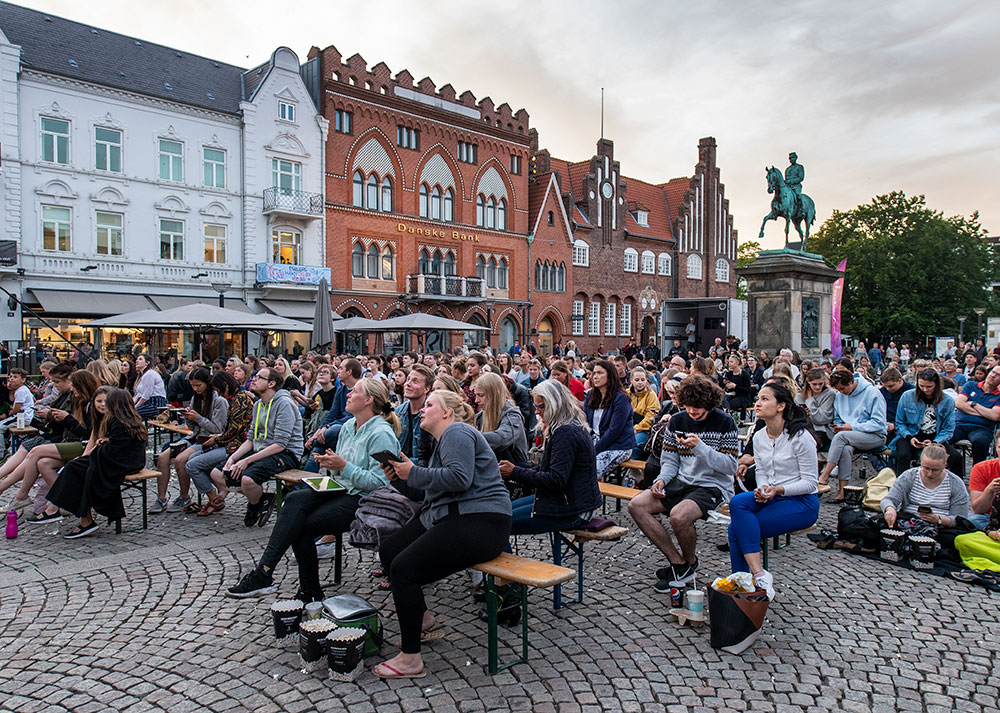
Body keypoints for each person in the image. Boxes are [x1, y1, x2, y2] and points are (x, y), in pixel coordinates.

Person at [375, 389, 512, 679]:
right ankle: (422, 620)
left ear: (447, 412)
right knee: (390, 551)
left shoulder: (457, 432)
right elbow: (428, 491)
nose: (422, 410)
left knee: (403, 569)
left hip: (481, 522)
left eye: (429, 404)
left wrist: (412, 471)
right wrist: (400, 479)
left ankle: (411, 660)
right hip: (455, 517)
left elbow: (459, 479)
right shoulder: (442, 444)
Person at [226, 378, 400, 600]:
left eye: (353, 392)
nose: (347, 395)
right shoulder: (348, 426)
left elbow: (380, 483)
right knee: (294, 500)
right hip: (344, 488)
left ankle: (296, 586)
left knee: (302, 526)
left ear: (368, 400)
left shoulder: (380, 433)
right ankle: (268, 574)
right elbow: (342, 471)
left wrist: (343, 467)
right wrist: (331, 464)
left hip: (366, 499)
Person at [628, 376, 738, 591]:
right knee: (637, 506)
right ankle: (680, 563)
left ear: (709, 403)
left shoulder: (725, 422)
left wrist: (700, 447)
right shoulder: (677, 420)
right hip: (681, 480)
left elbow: (729, 466)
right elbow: (669, 461)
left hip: (712, 485)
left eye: (697, 407)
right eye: (687, 406)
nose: (692, 411)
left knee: (679, 516)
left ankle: (688, 562)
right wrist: (661, 480)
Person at [727, 382, 818, 599]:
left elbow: (810, 483)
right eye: (757, 398)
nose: (757, 403)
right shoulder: (759, 437)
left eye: (765, 399)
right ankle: (755, 577)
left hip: (801, 502)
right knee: (738, 503)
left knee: (736, 529)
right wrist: (763, 490)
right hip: (773, 497)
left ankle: (748, 579)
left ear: (781, 406)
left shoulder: (801, 437)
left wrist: (778, 489)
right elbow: (763, 472)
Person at [32, 388, 147, 538]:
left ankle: (62, 512)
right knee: (77, 468)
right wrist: (104, 443)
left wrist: (102, 445)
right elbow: (118, 445)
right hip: (124, 461)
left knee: (77, 469)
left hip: (122, 463)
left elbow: (117, 450)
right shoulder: (129, 419)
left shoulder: (118, 422)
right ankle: (71, 515)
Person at [499, 378, 600, 536]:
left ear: (554, 405)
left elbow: (556, 479)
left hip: (575, 508)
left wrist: (515, 472)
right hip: (569, 500)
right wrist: (522, 469)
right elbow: (555, 470)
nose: (537, 411)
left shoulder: (566, 432)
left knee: (498, 524)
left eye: (540, 407)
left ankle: (501, 561)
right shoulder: (566, 425)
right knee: (501, 513)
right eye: (535, 406)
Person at [212, 366, 303, 528]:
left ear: (271, 383)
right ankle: (261, 498)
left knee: (247, 479)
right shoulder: (259, 404)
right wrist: (233, 458)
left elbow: (280, 444)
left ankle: (254, 506)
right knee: (218, 473)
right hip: (262, 451)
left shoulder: (284, 404)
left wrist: (246, 461)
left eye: (259, 377)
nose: (253, 379)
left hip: (286, 454)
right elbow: (251, 439)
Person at [150, 367, 229, 514]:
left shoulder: (219, 401)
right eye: (193, 385)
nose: (196, 388)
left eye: (198, 385)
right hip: (194, 437)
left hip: (208, 440)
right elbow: (193, 428)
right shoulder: (195, 399)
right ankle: (161, 498)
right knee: (162, 457)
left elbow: (217, 429)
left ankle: (184, 496)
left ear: (207, 383)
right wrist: (187, 418)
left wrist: (197, 418)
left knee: (181, 460)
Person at [187, 372, 255, 517]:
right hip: (228, 442)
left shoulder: (240, 399)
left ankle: (218, 497)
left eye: (218, 390)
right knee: (191, 461)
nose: (219, 394)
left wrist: (217, 439)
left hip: (236, 446)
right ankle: (218, 494)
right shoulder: (234, 398)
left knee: (192, 465)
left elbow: (235, 430)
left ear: (225, 386)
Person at [817, 370, 887, 501]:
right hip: (850, 436)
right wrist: (839, 426)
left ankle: (824, 475)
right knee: (845, 448)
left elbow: (879, 423)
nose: (841, 392)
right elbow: (838, 418)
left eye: (843, 388)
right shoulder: (839, 396)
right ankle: (843, 491)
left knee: (841, 437)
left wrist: (852, 427)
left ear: (851, 382)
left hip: (875, 436)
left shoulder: (872, 393)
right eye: (838, 390)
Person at [881, 445, 970, 528]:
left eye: (935, 470)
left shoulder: (956, 483)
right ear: (920, 463)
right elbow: (889, 499)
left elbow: (960, 519)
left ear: (945, 466)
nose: (930, 474)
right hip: (909, 521)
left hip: (942, 527)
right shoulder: (909, 476)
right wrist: (890, 509)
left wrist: (938, 519)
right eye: (926, 468)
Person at [892, 369, 956, 475]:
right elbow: (899, 423)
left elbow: (948, 429)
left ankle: (953, 487)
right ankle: (902, 485)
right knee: (903, 455)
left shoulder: (948, 401)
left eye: (929, 387)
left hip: (936, 437)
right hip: (911, 435)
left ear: (936, 385)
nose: (925, 390)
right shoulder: (907, 396)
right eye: (921, 386)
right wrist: (909, 437)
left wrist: (935, 442)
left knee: (955, 457)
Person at [303, 358, 362, 471]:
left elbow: (351, 416)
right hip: (336, 430)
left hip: (352, 427)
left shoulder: (362, 389)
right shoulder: (341, 391)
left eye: (340, 368)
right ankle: (303, 484)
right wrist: (319, 431)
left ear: (349, 372)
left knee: (333, 430)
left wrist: (327, 427)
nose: (338, 371)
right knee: (317, 451)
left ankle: (309, 445)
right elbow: (332, 414)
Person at [583, 360, 636, 481]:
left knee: (589, 469)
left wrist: (593, 451)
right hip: (594, 441)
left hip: (618, 444)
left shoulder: (621, 398)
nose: (595, 376)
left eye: (600, 373)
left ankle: (589, 497)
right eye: (594, 373)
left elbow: (614, 431)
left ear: (610, 375)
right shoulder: (590, 395)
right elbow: (586, 424)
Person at [949, 365, 1000, 472]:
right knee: (944, 437)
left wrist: (973, 404)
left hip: (982, 428)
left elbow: (995, 416)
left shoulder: (998, 395)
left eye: (998, 375)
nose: (993, 376)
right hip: (960, 424)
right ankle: (953, 472)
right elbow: (958, 403)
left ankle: (977, 473)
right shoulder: (971, 385)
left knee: (981, 442)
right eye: (993, 372)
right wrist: (985, 412)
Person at [474, 372, 528, 465]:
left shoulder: (512, 415)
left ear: (494, 395)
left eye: (481, 395)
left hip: (514, 473)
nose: (476, 400)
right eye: (476, 395)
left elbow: (502, 438)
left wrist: (471, 437)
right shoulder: (480, 417)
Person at [0, 368, 35, 456]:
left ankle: (1, 452)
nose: (11, 379)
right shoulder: (23, 389)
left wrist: (10, 412)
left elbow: (16, 409)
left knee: (0, 427)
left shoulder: (21, 391)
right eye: (10, 377)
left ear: (23, 380)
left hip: (22, 417)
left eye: (15, 377)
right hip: (24, 416)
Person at [629, 368, 660, 459]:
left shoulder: (651, 395)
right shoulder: (626, 393)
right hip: (628, 427)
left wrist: (636, 429)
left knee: (633, 443)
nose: (640, 382)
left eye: (643, 380)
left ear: (646, 380)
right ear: (631, 380)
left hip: (644, 430)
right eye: (637, 380)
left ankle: (634, 471)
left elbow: (650, 417)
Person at [879, 367, 914, 445]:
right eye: (885, 386)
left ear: (899, 380)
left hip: (904, 427)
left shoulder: (911, 392)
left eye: (891, 386)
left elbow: (913, 417)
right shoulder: (883, 391)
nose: (887, 389)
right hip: (885, 424)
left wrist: (895, 425)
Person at [132, 353, 167, 420]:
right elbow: (139, 394)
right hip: (148, 402)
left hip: (155, 404)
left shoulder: (149, 374)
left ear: (147, 362)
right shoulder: (144, 375)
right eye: (137, 359)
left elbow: (146, 395)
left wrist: (135, 406)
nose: (137, 361)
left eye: (140, 359)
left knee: (133, 414)